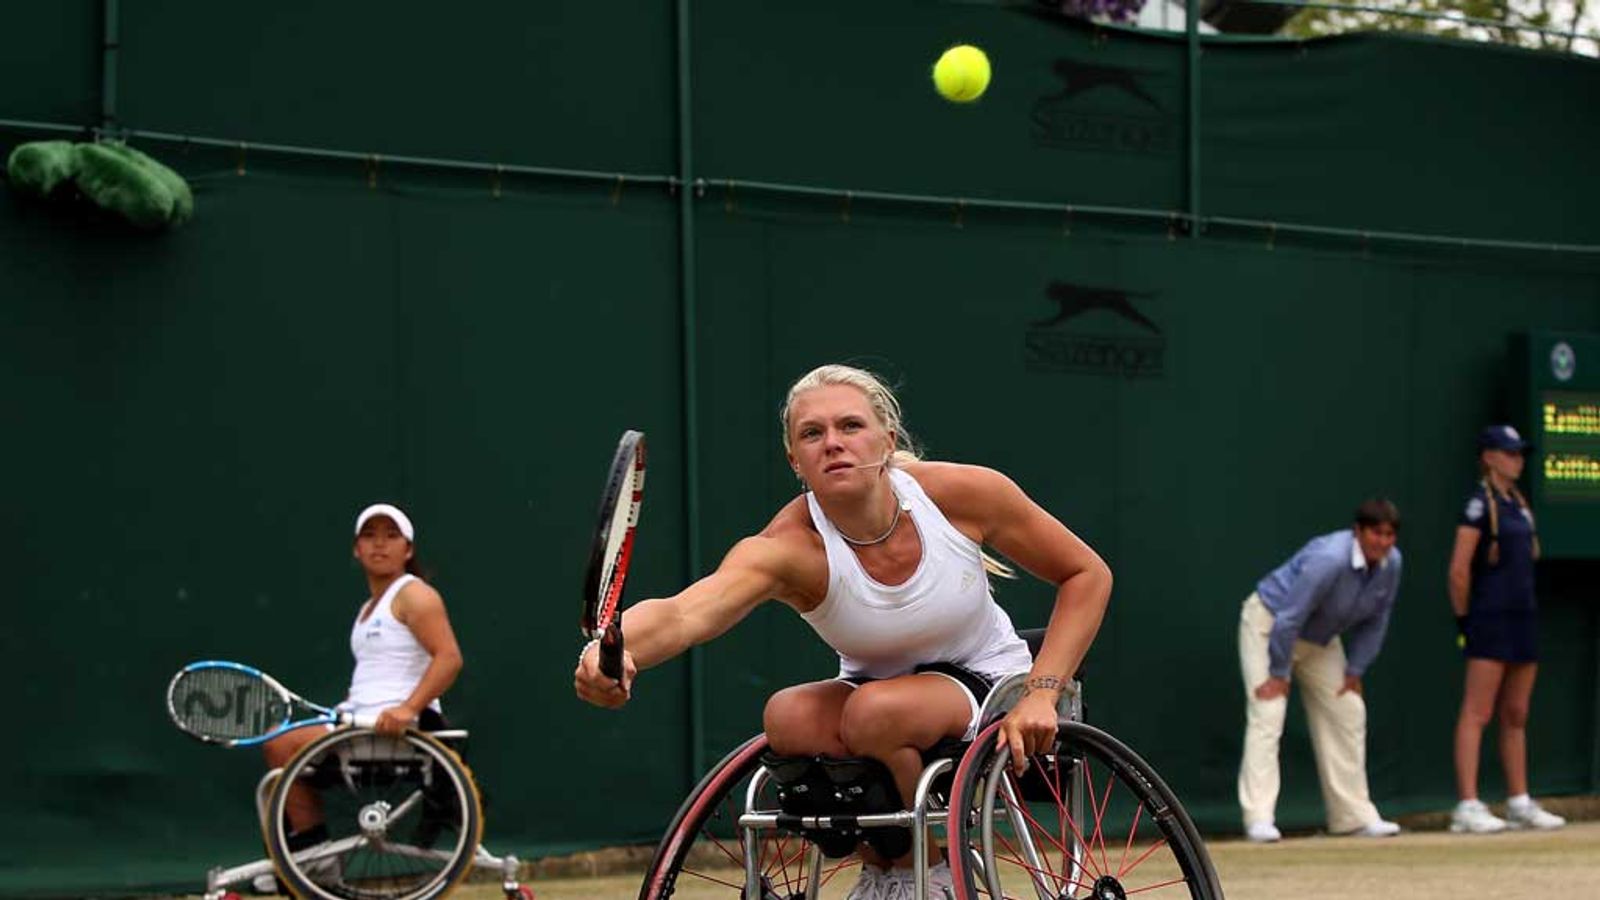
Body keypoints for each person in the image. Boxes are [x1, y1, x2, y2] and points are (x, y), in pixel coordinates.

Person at [574, 364, 1112, 900]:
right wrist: (618, 650)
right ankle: (885, 872)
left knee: (876, 713)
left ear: (888, 439)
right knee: (788, 716)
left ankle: (933, 875)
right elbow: (686, 612)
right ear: (795, 461)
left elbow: (1087, 574)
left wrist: (1044, 691)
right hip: (874, 693)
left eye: (850, 426)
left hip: (989, 683)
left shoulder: (963, 494)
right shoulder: (788, 549)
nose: (833, 443)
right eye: (812, 434)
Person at [261, 503, 465, 847]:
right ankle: (309, 853)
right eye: (369, 536)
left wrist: (408, 709)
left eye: (390, 535)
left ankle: (312, 854)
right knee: (279, 743)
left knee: (280, 742)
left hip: (397, 730)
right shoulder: (367, 610)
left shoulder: (414, 595)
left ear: (408, 549)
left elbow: (449, 659)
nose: (379, 544)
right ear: (357, 550)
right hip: (359, 724)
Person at [1236, 499, 1404, 843]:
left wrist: (1355, 668)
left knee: (1348, 710)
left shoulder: (1392, 564)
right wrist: (1278, 673)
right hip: (1269, 624)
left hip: (1320, 639)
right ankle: (1259, 819)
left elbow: (1377, 620)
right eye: (1376, 533)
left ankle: (1352, 817)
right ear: (1358, 531)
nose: (1383, 542)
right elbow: (1289, 617)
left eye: (1389, 535)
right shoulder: (1329, 559)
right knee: (1268, 713)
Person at [1447, 425, 1566, 833]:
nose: (1517, 460)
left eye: (1519, 453)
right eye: (1509, 453)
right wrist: (1465, 622)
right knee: (1477, 711)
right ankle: (1467, 805)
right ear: (1490, 457)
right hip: (1489, 619)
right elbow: (1459, 571)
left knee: (1516, 713)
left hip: (1524, 619)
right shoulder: (1479, 506)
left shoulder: (1519, 503)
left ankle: (1518, 801)